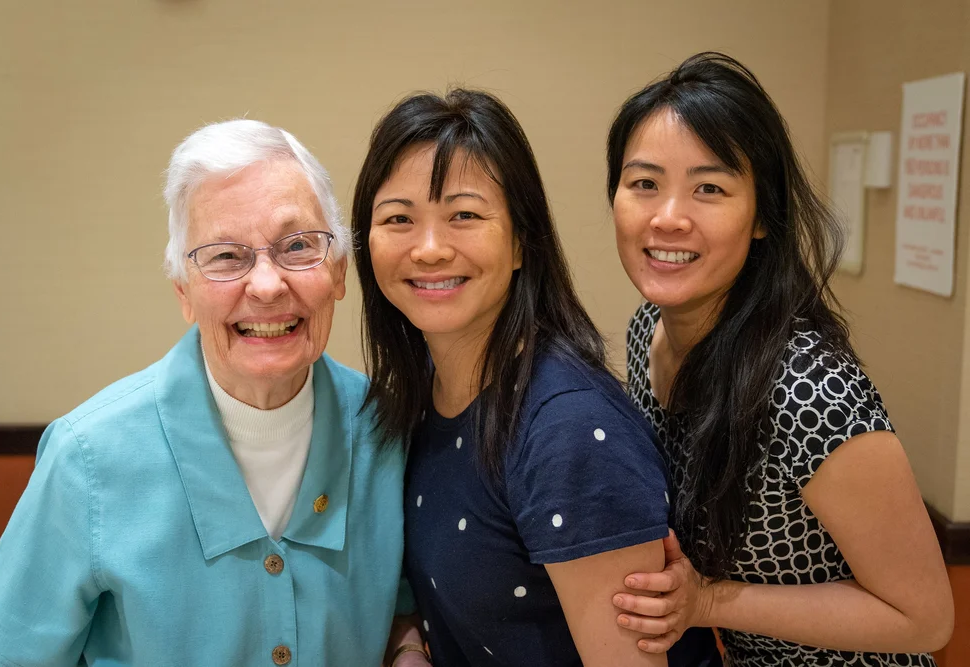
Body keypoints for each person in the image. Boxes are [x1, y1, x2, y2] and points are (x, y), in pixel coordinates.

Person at [0, 119, 415, 666]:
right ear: (185, 293)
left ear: (340, 271)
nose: (269, 285)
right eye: (226, 256)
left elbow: (405, 609)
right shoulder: (87, 457)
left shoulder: (388, 430)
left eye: (298, 246)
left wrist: (408, 647)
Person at [351, 88, 722, 667]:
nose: (427, 249)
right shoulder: (422, 385)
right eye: (399, 219)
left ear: (523, 241)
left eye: (464, 216)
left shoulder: (568, 429)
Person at [606, 52, 954, 665]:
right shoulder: (646, 333)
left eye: (709, 188)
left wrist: (707, 602)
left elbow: (924, 619)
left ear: (763, 214)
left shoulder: (807, 389)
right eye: (644, 183)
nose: (667, 217)